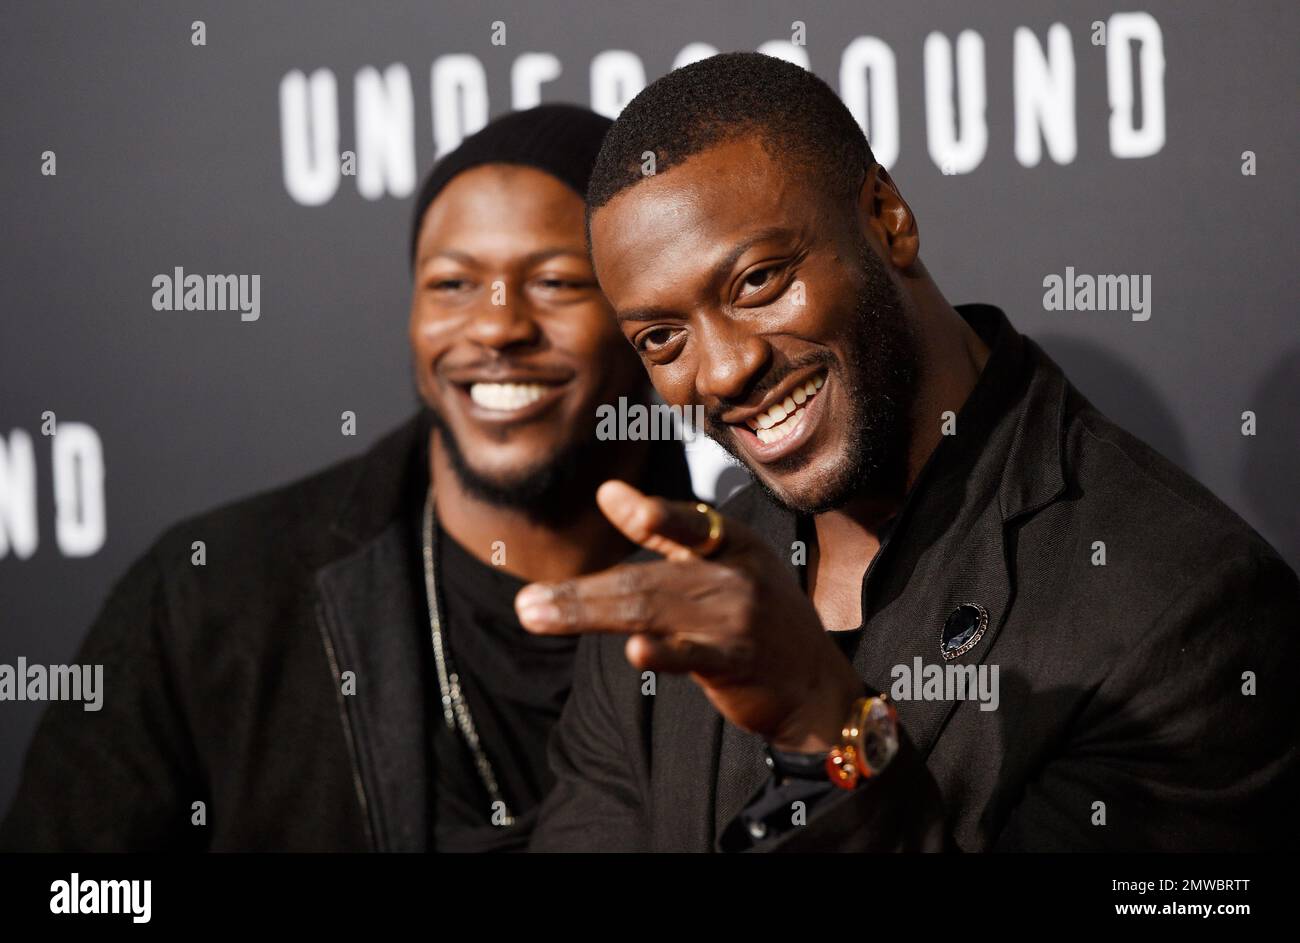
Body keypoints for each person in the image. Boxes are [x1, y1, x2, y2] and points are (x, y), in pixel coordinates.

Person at [517, 54, 1300, 852]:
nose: (722, 370)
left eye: (757, 281)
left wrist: (825, 727)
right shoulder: (662, 625)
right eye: (661, 337)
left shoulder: (1185, 611)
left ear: (888, 218)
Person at [0, 104, 693, 852]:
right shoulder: (210, 598)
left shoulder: (748, 595)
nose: (496, 327)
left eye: (556, 282)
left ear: (644, 321)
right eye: (452, 283)